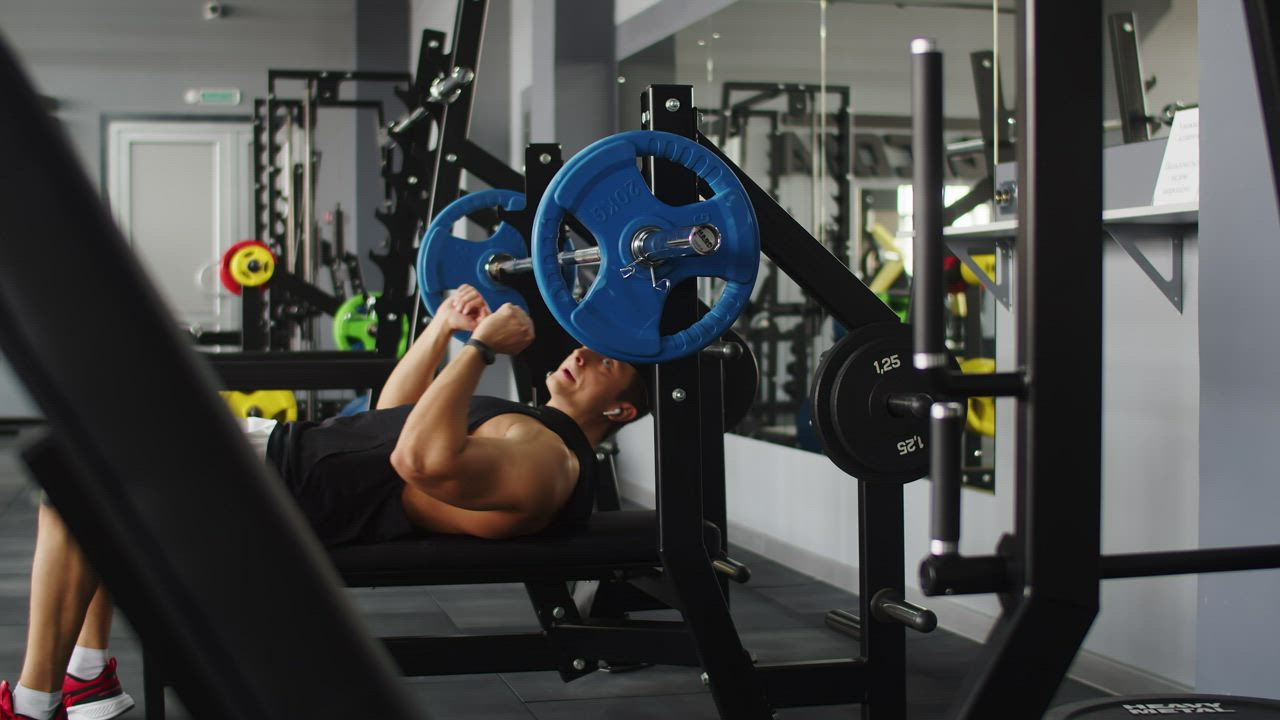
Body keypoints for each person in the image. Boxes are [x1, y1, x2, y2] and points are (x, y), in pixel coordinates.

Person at [0, 284, 650, 719]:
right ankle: (86, 679)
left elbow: (416, 459)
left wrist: (477, 352)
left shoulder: (548, 462)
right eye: (591, 348)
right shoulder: (526, 426)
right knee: (100, 436)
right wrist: (442, 331)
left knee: (76, 489)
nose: (583, 352)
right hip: (278, 457)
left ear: (621, 408)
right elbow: (393, 415)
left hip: (275, 492)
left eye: (607, 363)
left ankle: (35, 704)